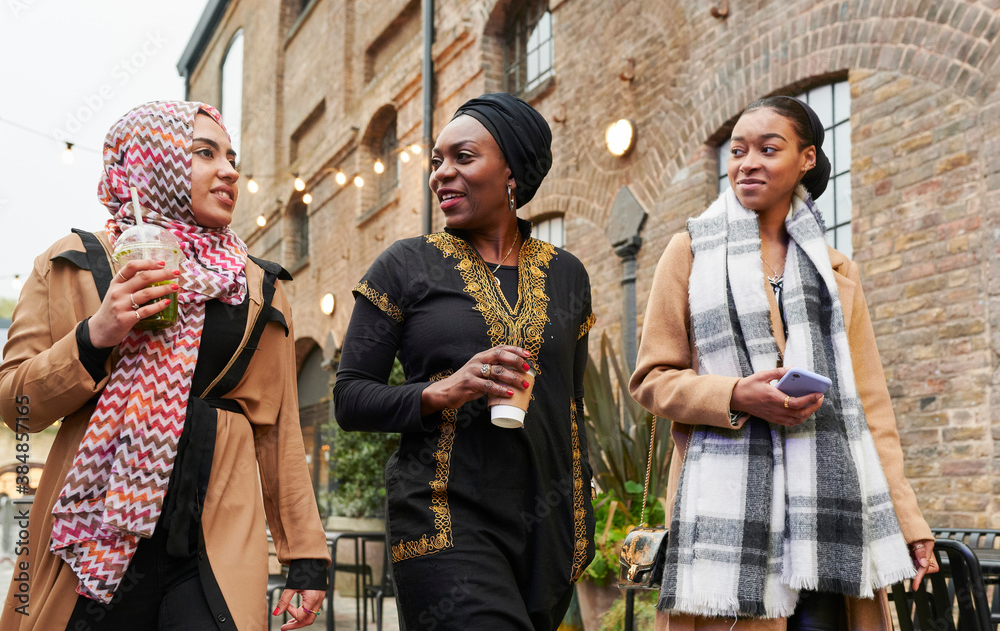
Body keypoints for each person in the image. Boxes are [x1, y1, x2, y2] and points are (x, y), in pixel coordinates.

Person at [0, 101, 329, 631]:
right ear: (152, 163)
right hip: (95, 530)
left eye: (231, 157)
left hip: (216, 535)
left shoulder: (259, 286)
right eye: (204, 153)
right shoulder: (77, 261)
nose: (229, 170)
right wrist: (94, 335)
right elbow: (16, 405)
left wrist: (305, 559)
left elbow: (277, 430)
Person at [629, 96, 938, 631]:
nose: (747, 162)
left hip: (830, 523)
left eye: (769, 149)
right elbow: (653, 379)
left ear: (807, 158)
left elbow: (870, 406)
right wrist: (733, 395)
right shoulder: (690, 252)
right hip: (728, 529)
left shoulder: (837, 271)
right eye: (738, 150)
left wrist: (909, 521)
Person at [333, 93, 596, 630]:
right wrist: (442, 391)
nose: (441, 175)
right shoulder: (405, 266)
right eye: (436, 161)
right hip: (443, 519)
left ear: (513, 173)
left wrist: (580, 519)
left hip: (545, 529)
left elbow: (573, 406)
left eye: (463, 158)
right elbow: (349, 396)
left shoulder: (569, 274)